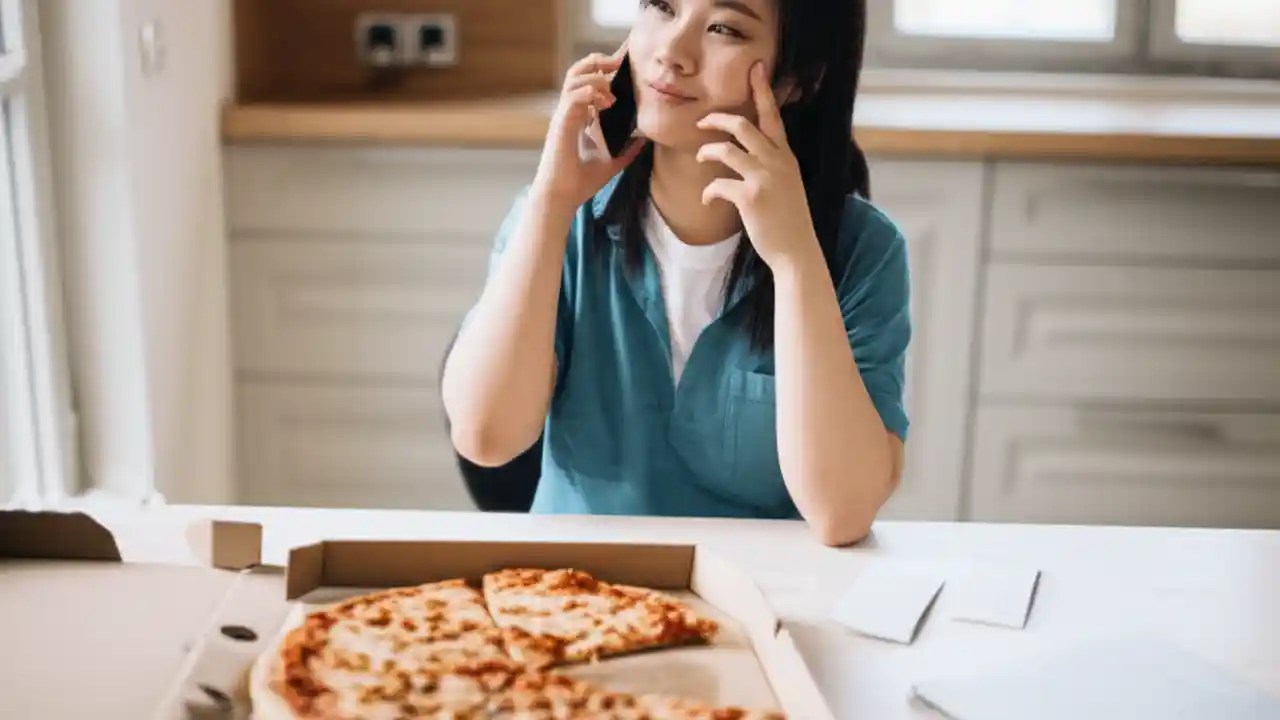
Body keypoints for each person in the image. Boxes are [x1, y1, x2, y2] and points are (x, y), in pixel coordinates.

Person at [442, 0, 909, 546]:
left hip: (764, 600)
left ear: (797, 81)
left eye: (723, 28)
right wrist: (551, 200)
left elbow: (842, 514)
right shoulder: (559, 215)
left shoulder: (863, 252)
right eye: (661, 7)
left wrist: (794, 260)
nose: (672, 51)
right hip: (574, 598)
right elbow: (485, 437)